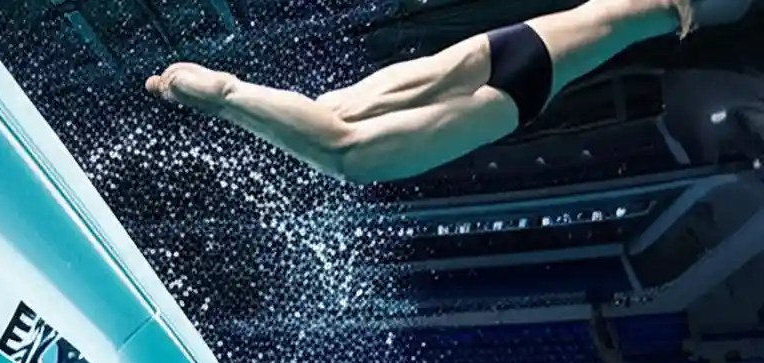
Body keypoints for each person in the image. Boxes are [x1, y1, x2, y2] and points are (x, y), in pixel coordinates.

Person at [145, 0, 754, 184]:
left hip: (519, 42)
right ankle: (223, 93)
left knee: (334, 111)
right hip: (525, 84)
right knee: (351, 155)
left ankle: (209, 92)